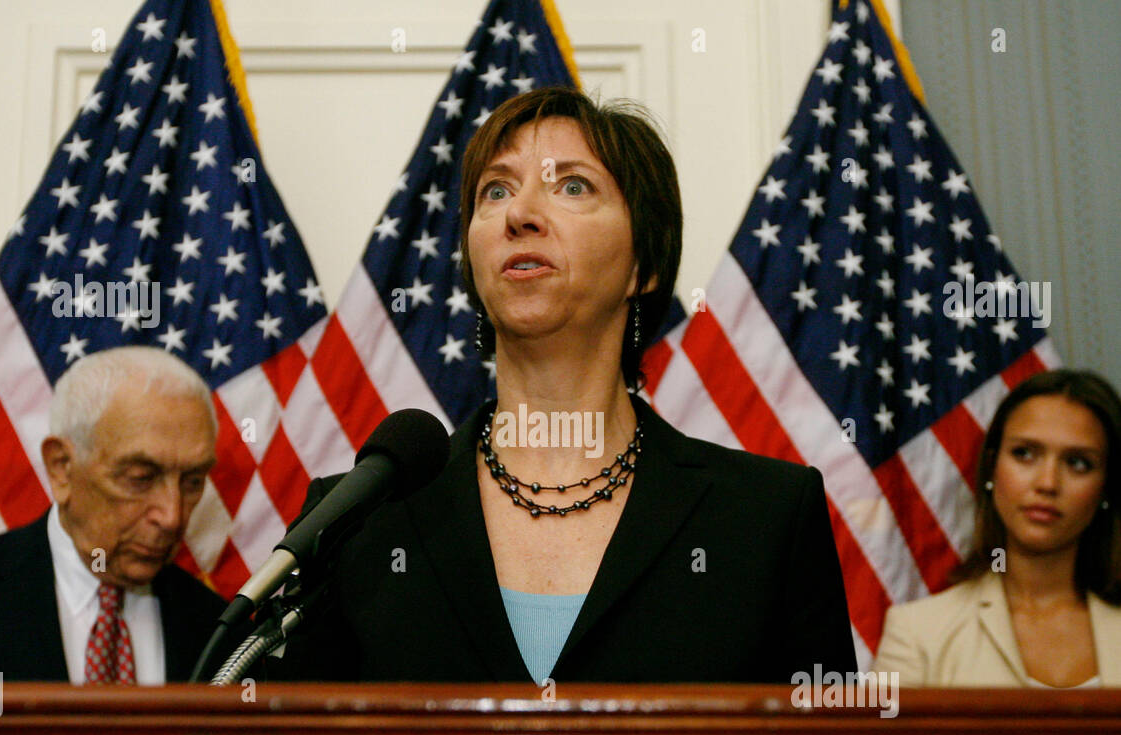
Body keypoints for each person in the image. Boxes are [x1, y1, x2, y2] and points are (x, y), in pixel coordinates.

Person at [275, 87, 856, 683]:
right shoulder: (355, 524)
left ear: (643, 266)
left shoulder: (766, 520)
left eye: (573, 186)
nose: (519, 214)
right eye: (495, 190)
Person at [0, 346, 225, 684]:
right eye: (140, 478)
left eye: (192, 482)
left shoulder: (223, 633)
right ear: (61, 468)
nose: (172, 516)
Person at [874, 369, 1121, 687]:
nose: (1047, 483)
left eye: (1078, 462)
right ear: (991, 468)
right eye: (1025, 453)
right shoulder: (917, 634)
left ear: (1107, 488)